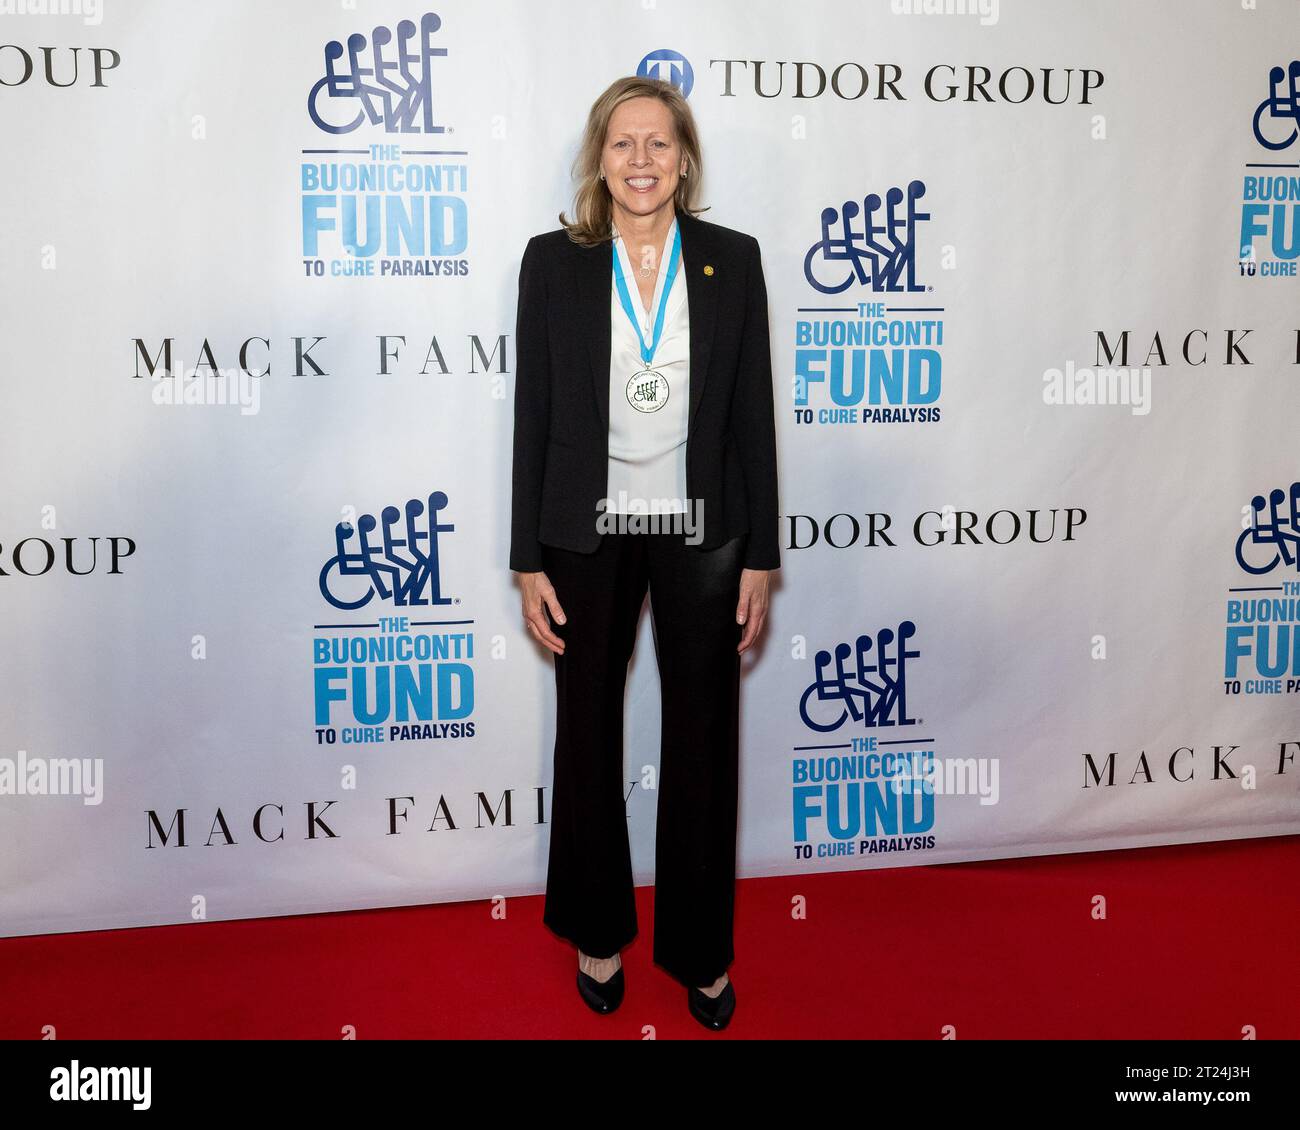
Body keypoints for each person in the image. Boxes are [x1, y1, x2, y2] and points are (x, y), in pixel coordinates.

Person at [509, 75, 779, 1031]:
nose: (640, 161)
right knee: (587, 729)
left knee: (704, 735)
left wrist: (762, 555)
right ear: (599, 158)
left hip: (703, 528)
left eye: (658, 143)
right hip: (586, 527)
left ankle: (702, 951)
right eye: (622, 144)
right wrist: (526, 556)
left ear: (684, 157)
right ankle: (596, 928)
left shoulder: (732, 260)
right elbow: (533, 414)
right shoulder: (554, 263)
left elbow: (753, 415)